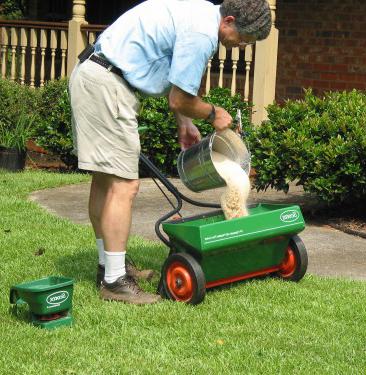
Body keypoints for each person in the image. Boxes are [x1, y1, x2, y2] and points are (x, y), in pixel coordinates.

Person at [69, 0, 272, 304]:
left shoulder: (200, 12)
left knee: (106, 181)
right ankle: (114, 282)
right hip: (106, 85)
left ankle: (110, 267)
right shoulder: (203, 34)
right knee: (124, 185)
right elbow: (180, 98)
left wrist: (185, 121)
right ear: (228, 20)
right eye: (243, 38)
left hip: (96, 74)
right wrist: (214, 113)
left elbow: (169, 74)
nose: (241, 46)